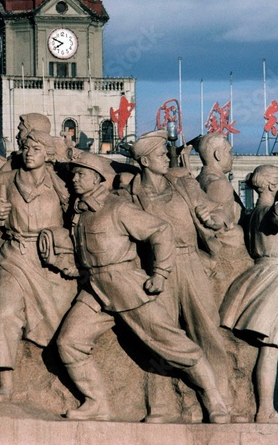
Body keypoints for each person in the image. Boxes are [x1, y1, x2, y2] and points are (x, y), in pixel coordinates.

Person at [54, 150, 230, 423]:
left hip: (126, 287)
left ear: (97, 178)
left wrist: (160, 273)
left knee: (173, 345)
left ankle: (213, 398)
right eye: (73, 174)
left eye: (81, 174)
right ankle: (96, 402)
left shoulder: (118, 207)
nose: (74, 179)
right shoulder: (78, 211)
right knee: (69, 342)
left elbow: (160, 230)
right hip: (94, 290)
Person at [122, 131, 233, 422]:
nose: (166, 157)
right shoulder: (130, 194)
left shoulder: (182, 182)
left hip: (190, 261)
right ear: (144, 161)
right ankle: (160, 405)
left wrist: (215, 217)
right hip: (156, 269)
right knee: (160, 333)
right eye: (160, 154)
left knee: (206, 327)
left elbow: (209, 208)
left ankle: (219, 401)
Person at [0, 129, 76, 401]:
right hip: (15, 254)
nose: (29, 153)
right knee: (4, 314)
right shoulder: (4, 180)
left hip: (50, 260)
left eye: (36, 148)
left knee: (60, 323)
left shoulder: (61, 185)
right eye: (25, 147)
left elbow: (79, 216)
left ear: (47, 154)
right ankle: (5, 382)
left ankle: (66, 382)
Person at [220, 164, 278, 423]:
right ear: (273, 185)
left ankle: (263, 407)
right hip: (275, 275)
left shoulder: (253, 213)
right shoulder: (267, 211)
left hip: (263, 274)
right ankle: (265, 410)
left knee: (267, 347)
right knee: (271, 346)